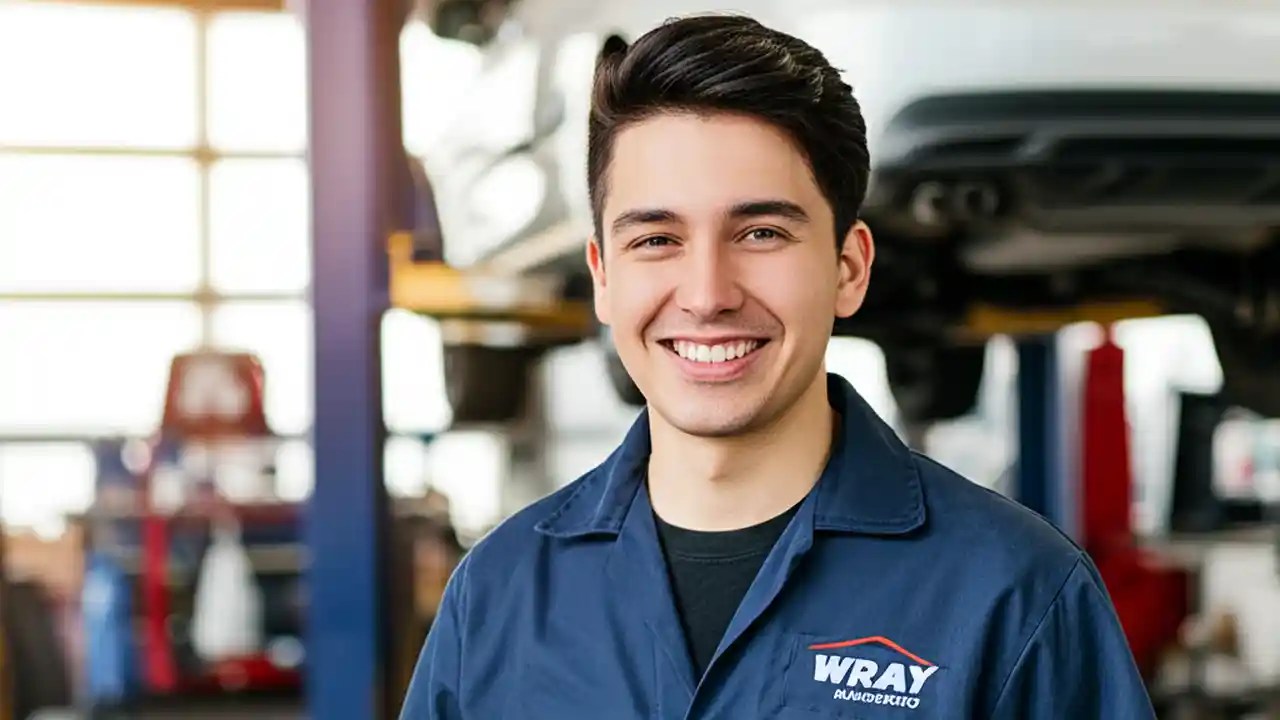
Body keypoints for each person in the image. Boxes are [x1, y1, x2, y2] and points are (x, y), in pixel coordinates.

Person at [400, 13, 1155, 719]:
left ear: (849, 268)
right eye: (657, 240)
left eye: (760, 232)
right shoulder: (499, 595)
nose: (706, 296)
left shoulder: (1015, 593)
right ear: (603, 275)